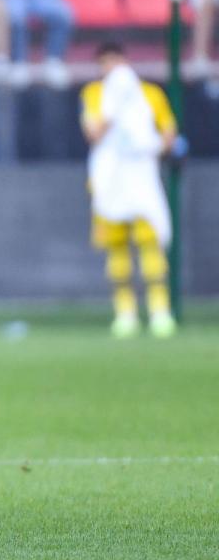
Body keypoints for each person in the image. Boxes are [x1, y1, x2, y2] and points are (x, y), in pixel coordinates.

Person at [80, 42, 179, 339]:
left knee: (150, 243)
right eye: (106, 63)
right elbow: (93, 134)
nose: (112, 68)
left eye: (115, 61)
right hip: (110, 181)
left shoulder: (151, 94)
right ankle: (126, 314)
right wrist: (114, 109)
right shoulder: (94, 95)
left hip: (141, 179)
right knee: (117, 246)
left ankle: (160, 312)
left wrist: (147, 147)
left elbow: (168, 135)